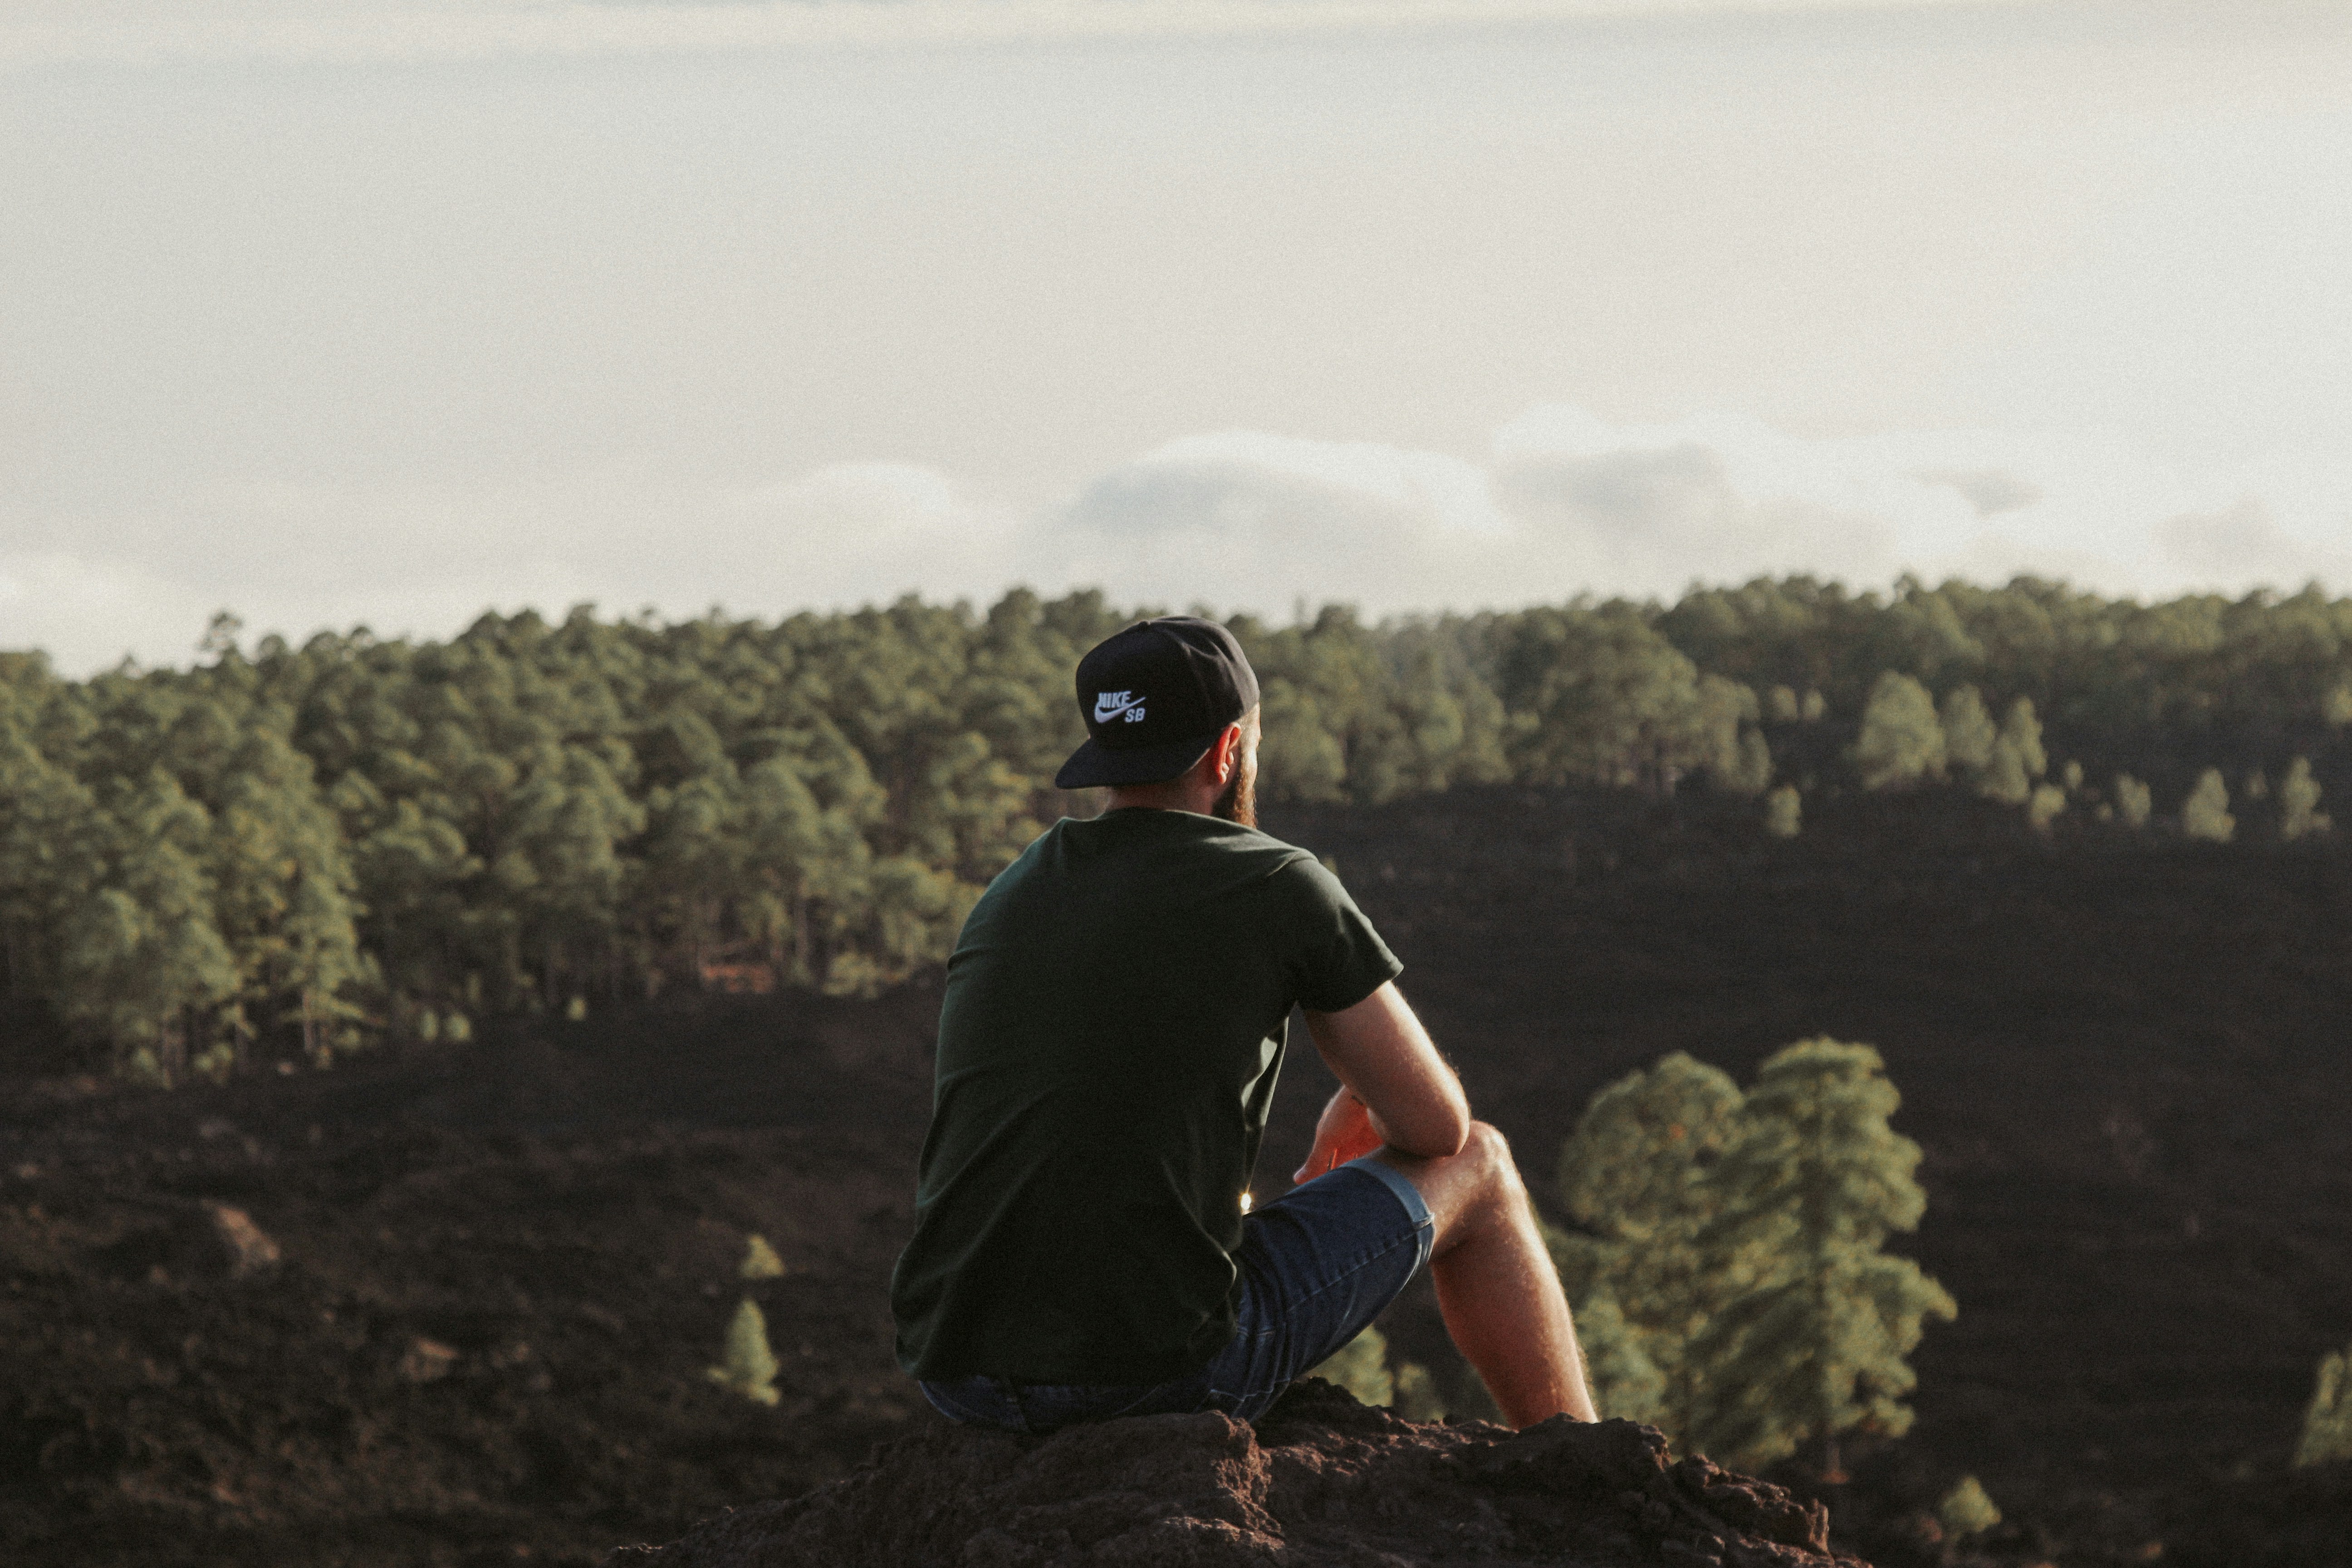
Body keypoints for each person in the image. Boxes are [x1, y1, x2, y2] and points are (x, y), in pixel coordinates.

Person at [890, 616, 1594, 1436]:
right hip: (1150, 1377)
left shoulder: (1013, 889)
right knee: (1485, 1162)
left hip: (959, 1371)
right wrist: (1362, 1098)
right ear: (1229, 753)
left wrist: (1354, 1094)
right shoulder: (1278, 882)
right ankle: (1582, 1466)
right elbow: (1438, 1127)